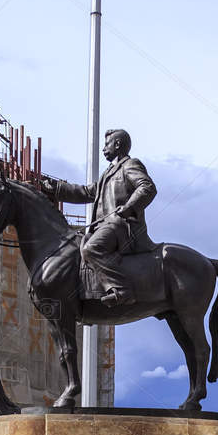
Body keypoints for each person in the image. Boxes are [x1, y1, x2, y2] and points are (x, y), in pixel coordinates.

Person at [42, 128, 157, 309]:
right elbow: (86, 192)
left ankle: (121, 289)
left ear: (117, 145)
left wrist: (128, 208)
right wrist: (56, 188)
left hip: (122, 226)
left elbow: (147, 187)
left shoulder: (130, 165)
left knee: (91, 248)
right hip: (106, 227)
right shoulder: (108, 172)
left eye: (107, 144)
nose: (103, 149)